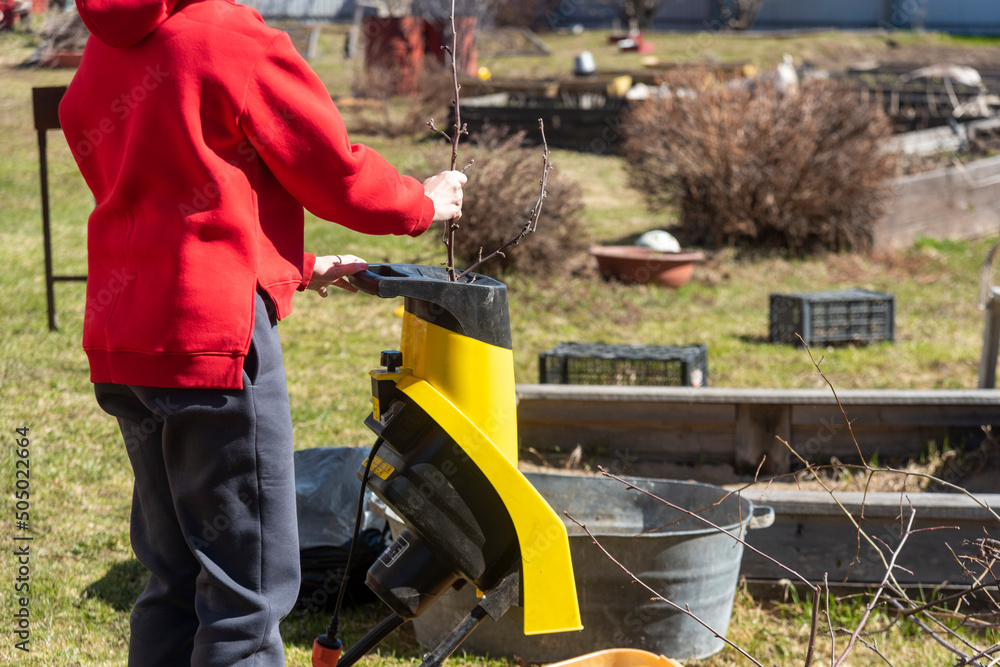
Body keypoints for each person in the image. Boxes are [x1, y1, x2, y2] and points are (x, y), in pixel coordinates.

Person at [58, 0, 466, 664]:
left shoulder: (108, 42)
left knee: (176, 580)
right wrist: (422, 200)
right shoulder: (230, 34)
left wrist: (293, 267)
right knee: (245, 594)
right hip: (213, 347)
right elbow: (331, 168)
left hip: (126, 342)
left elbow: (163, 181)